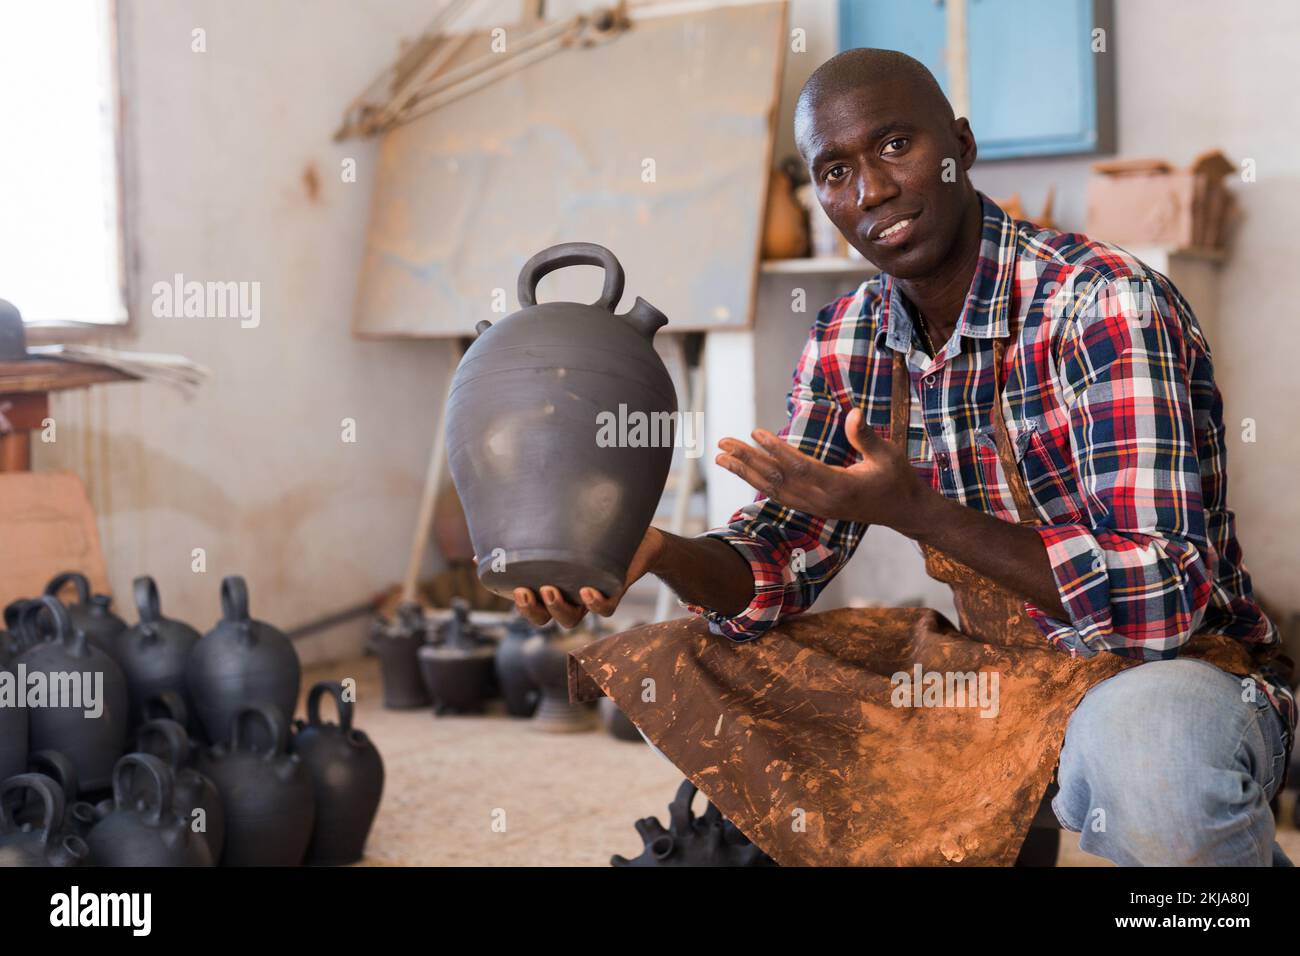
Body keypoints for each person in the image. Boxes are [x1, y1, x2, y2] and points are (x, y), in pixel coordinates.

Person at [512, 48, 1295, 866]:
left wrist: (913, 510)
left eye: (894, 147)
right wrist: (658, 553)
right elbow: (771, 570)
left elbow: (1161, 604)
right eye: (836, 170)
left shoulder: (1101, 303)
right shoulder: (848, 339)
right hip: (999, 683)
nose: (872, 192)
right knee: (694, 657)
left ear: (960, 144)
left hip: (1175, 675)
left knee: (1152, 758)